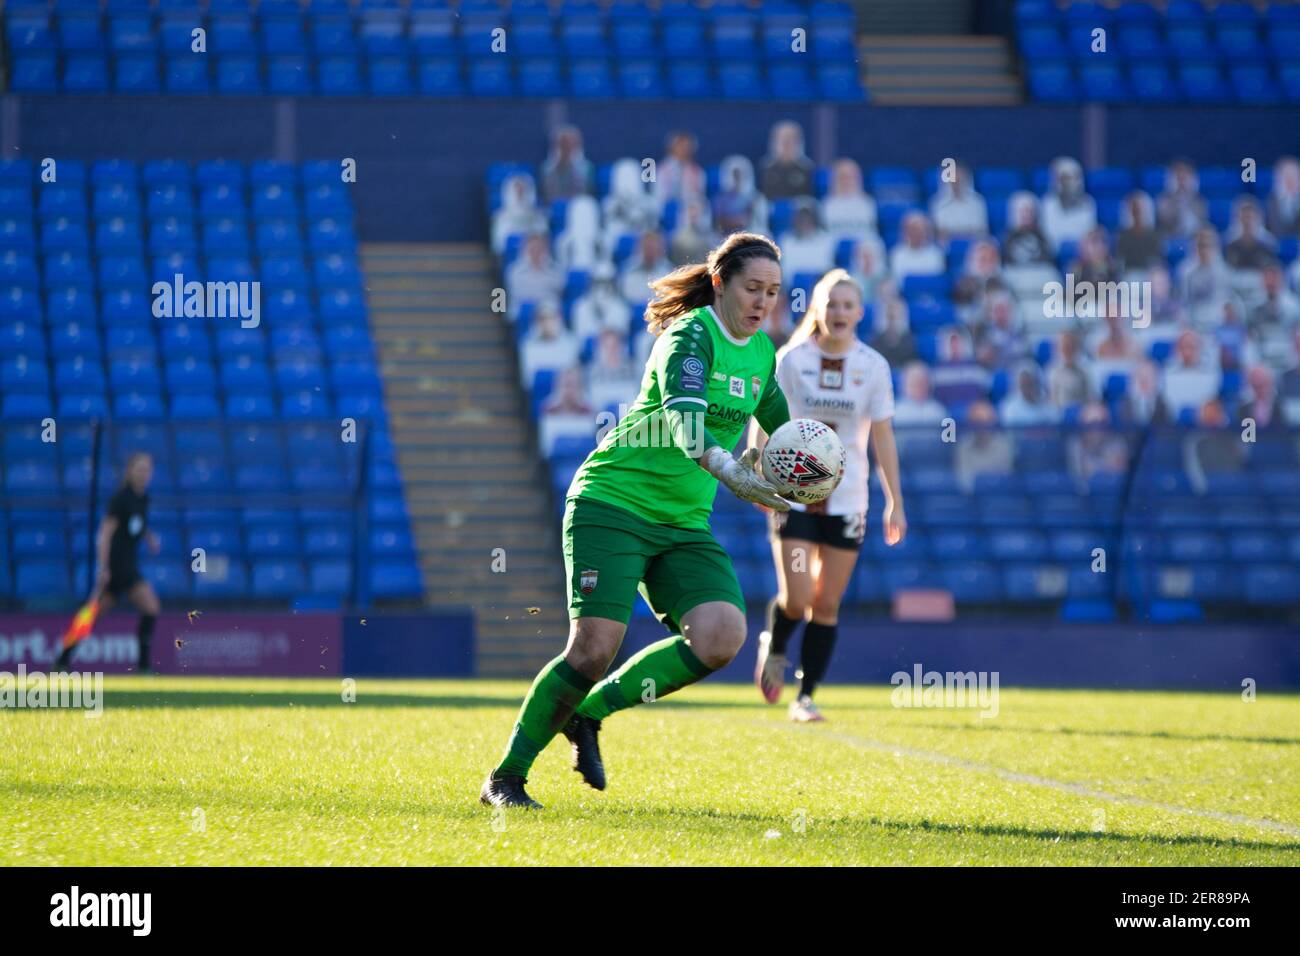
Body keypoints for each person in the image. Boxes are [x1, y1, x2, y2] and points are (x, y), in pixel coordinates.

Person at [480, 233, 794, 809]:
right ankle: (506, 777)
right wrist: (736, 474)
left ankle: (590, 712)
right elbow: (687, 429)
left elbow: (783, 425)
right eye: (753, 288)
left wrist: (796, 469)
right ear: (721, 283)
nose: (763, 303)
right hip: (613, 503)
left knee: (723, 636)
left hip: (683, 522)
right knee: (595, 647)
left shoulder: (762, 353)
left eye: (772, 293)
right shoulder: (690, 337)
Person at [752, 270, 905, 721]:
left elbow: (883, 437)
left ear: (859, 312)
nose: (838, 312)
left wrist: (895, 499)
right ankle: (776, 646)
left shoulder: (873, 366)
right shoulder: (791, 359)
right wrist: (760, 473)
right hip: (794, 496)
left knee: (827, 603)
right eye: (830, 304)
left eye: (847, 305)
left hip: (849, 499)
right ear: (817, 310)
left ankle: (806, 696)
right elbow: (762, 418)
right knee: (797, 597)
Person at [54, 452, 161, 674]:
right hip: (116, 567)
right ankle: (63, 659)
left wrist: (149, 538)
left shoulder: (143, 498)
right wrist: (103, 568)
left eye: (147, 470)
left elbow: (137, 524)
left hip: (129, 566)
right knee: (93, 614)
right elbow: (104, 534)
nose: (143, 474)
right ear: (129, 470)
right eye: (139, 469)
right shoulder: (120, 499)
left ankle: (142, 666)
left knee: (149, 609)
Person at [1040, 156, 1097, 252]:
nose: (1067, 183)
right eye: (1063, 179)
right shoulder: (1047, 203)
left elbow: (1089, 237)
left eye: (1072, 178)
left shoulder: (1088, 203)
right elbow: (1049, 239)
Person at [821, 158, 878, 240]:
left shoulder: (868, 203)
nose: (846, 181)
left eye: (850, 177)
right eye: (842, 177)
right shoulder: (827, 204)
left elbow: (871, 235)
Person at [929, 162, 989, 240]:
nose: (956, 181)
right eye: (952, 177)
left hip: (972, 245)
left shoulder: (978, 202)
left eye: (959, 177)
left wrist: (952, 232)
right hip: (946, 246)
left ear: (966, 178)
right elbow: (938, 232)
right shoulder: (937, 202)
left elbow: (981, 231)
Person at [712, 154, 767, 235]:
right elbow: (718, 223)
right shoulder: (720, 199)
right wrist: (736, 221)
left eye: (740, 174)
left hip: (749, 234)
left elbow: (755, 221)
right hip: (724, 236)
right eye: (735, 174)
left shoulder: (756, 198)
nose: (738, 178)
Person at [760, 120, 815, 200]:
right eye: (782, 139)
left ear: (798, 142)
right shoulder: (764, 168)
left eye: (790, 139)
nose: (786, 144)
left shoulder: (808, 169)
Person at [541, 124, 594, 204]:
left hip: (577, 206)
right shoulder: (546, 168)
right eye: (563, 144)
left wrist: (572, 165)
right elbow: (546, 193)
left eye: (570, 144)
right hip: (554, 205)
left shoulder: (588, 168)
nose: (566, 148)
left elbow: (586, 192)